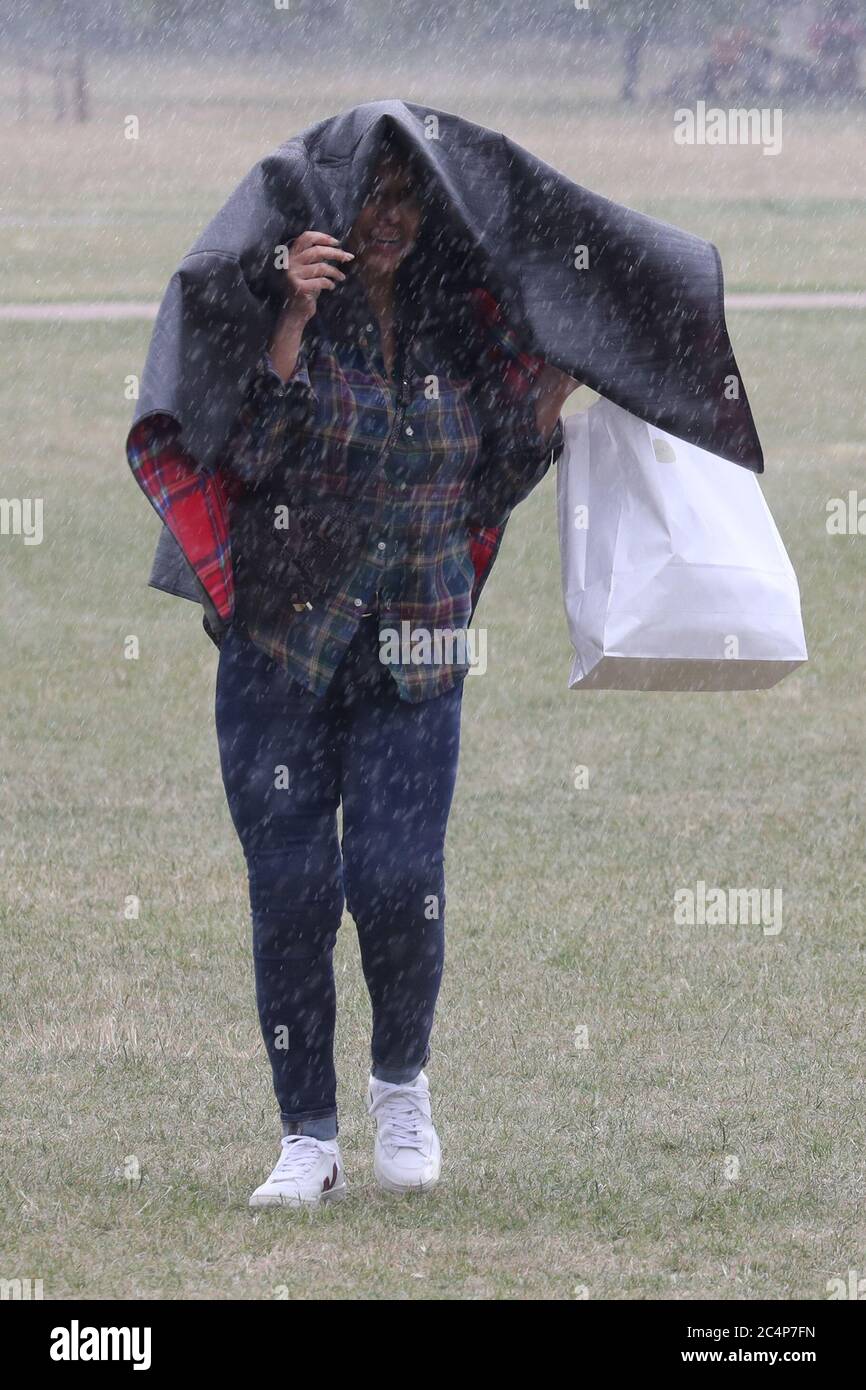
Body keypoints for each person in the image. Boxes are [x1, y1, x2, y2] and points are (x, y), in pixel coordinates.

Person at [137, 140, 580, 1207]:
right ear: (330, 210)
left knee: (398, 881)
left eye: (407, 203)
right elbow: (242, 456)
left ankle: (399, 1091)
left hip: (420, 643)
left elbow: (488, 479)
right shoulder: (279, 310)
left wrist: (557, 383)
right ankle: (307, 1137)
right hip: (280, 652)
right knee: (291, 890)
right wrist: (287, 316)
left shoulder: (451, 324)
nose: (387, 220)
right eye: (369, 200)